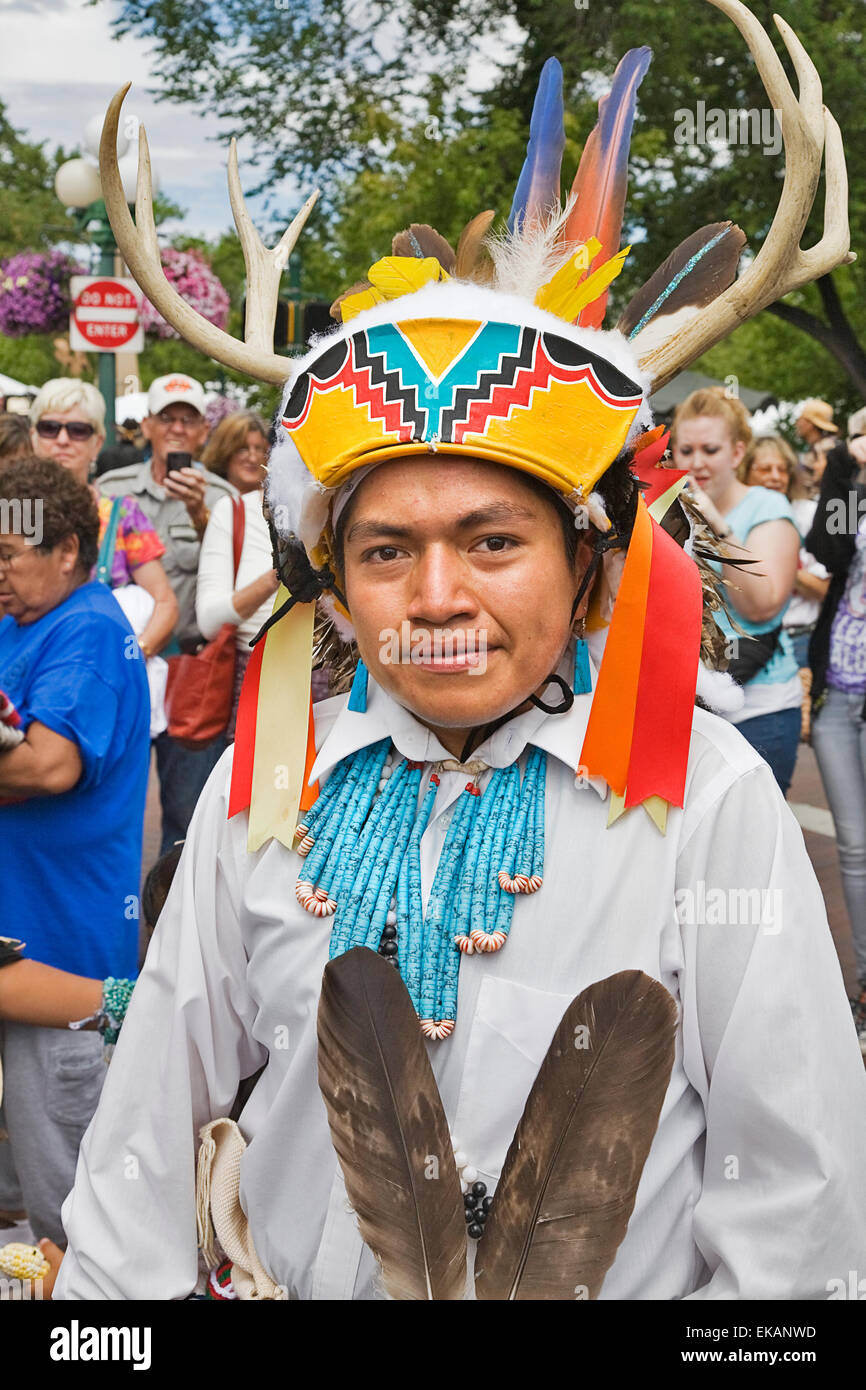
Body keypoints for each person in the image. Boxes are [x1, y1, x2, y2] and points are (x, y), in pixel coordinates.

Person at [57, 24, 866, 1297]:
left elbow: (798, 1201)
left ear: (586, 557)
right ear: (335, 575)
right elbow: (149, 1123)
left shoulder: (700, 799)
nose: (437, 596)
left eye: (491, 539)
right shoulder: (273, 779)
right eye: (385, 551)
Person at [0, 458, 150, 1245]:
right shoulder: (25, 620)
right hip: (21, 949)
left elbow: (48, 765)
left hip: (62, 953)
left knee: (74, 1213)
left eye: (7, 555)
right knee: (26, 1197)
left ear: (66, 550)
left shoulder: (88, 627)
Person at [99, 374, 237, 853]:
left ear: (203, 432)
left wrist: (201, 513)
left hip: (191, 671)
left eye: (189, 419)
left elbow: (235, 580)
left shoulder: (220, 496)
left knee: (187, 813)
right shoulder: (111, 489)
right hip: (121, 668)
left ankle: (171, 922)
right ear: (148, 426)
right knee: (111, 803)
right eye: (167, 418)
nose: (178, 428)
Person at [671, 390, 802, 795]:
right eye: (685, 449)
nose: (696, 462)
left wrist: (715, 523)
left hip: (760, 702)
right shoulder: (669, 510)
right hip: (690, 702)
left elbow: (762, 606)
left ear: (737, 451)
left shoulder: (766, 506)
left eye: (710, 449)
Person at [30, 380, 177, 656]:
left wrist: (132, 655)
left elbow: (165, 602)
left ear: (97, 443)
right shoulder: (14, 510)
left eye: (78, 430)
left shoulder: (123, 514)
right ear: (33, 436)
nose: (62, 440)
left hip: (99, 670)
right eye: (50, 428)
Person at [805, 412, 866, 1051]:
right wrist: (848, 465)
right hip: (839, 693)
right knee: (853, 847)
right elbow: (827, 549)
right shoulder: (854, 489)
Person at [739, 434, 829, 739]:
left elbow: (823, 589)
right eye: (765, 469)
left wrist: (782, 564)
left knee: (802, 731)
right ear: (745, 471)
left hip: (799, 640)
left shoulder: (805, 517)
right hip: (743, 644)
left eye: (782, 470)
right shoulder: (728, 516)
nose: (775, 477)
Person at [197, 411, 280, 737]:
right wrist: (281, 573)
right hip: (250, 675)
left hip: (333, 685)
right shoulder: (232, 511)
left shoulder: (338, 508)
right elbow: (209, 623)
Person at [795, 397, 839, 490]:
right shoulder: (817, 446)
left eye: (800, 419)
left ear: (810, 424)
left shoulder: (825, 447)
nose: (797, 423)